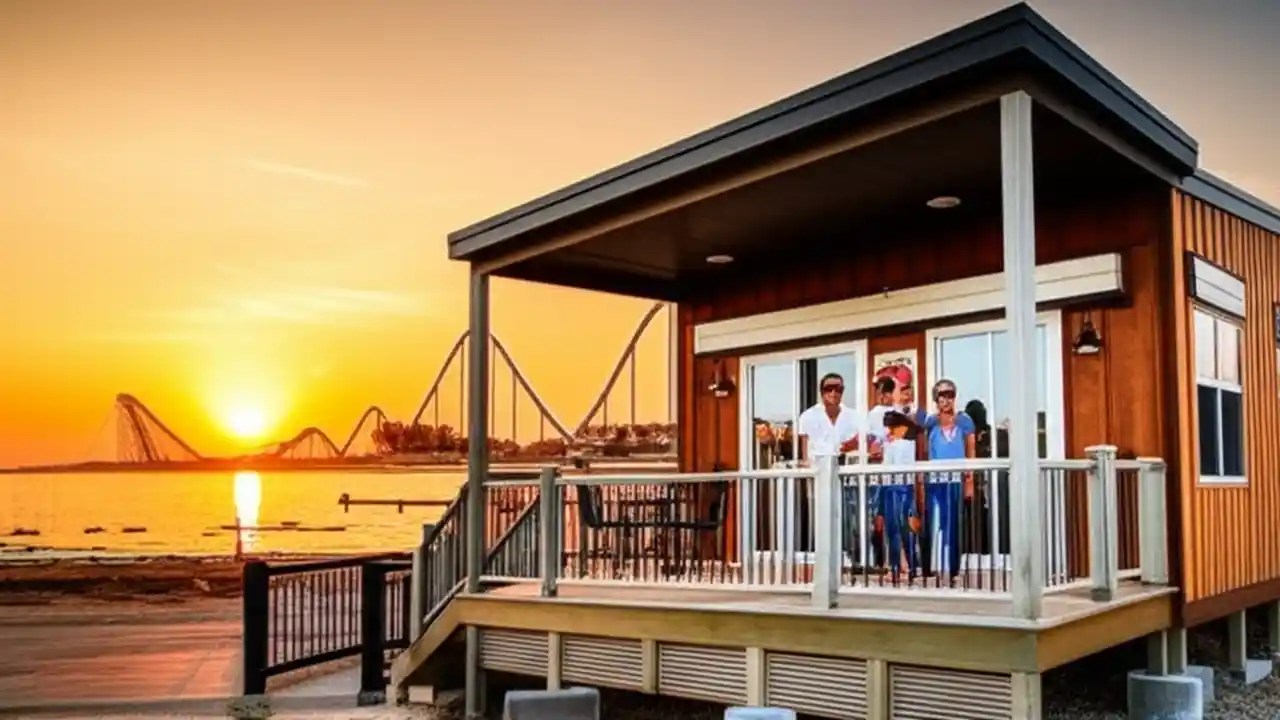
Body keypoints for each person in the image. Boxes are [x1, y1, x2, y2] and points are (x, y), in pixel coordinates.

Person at [922, 378, 976, 578]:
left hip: (955, 480)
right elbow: (925, 452)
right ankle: (931, 567)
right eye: (942, 396)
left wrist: (969, 482)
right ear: (936, 399)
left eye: (950, 395)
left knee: (953, 524)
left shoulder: (964, 421)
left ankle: (952, 568)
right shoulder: (931, 423)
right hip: (935, 481)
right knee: (934, 523)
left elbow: (971, 452)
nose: (946, 400)